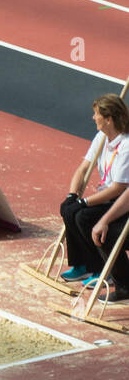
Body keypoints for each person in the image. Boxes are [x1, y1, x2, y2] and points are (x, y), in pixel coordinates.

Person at [58, 94, 129, 286]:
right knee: (69, 209)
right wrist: (73, 195)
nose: (93, 117)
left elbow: (118, 188)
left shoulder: (126, 145)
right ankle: (82, 265)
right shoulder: (101, 137)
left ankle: (101, 268)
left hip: (119, 201)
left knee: (83, 216)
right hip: (106, 195)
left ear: (109, 119)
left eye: (96, 114)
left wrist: (85, 201)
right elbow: (82, 169)